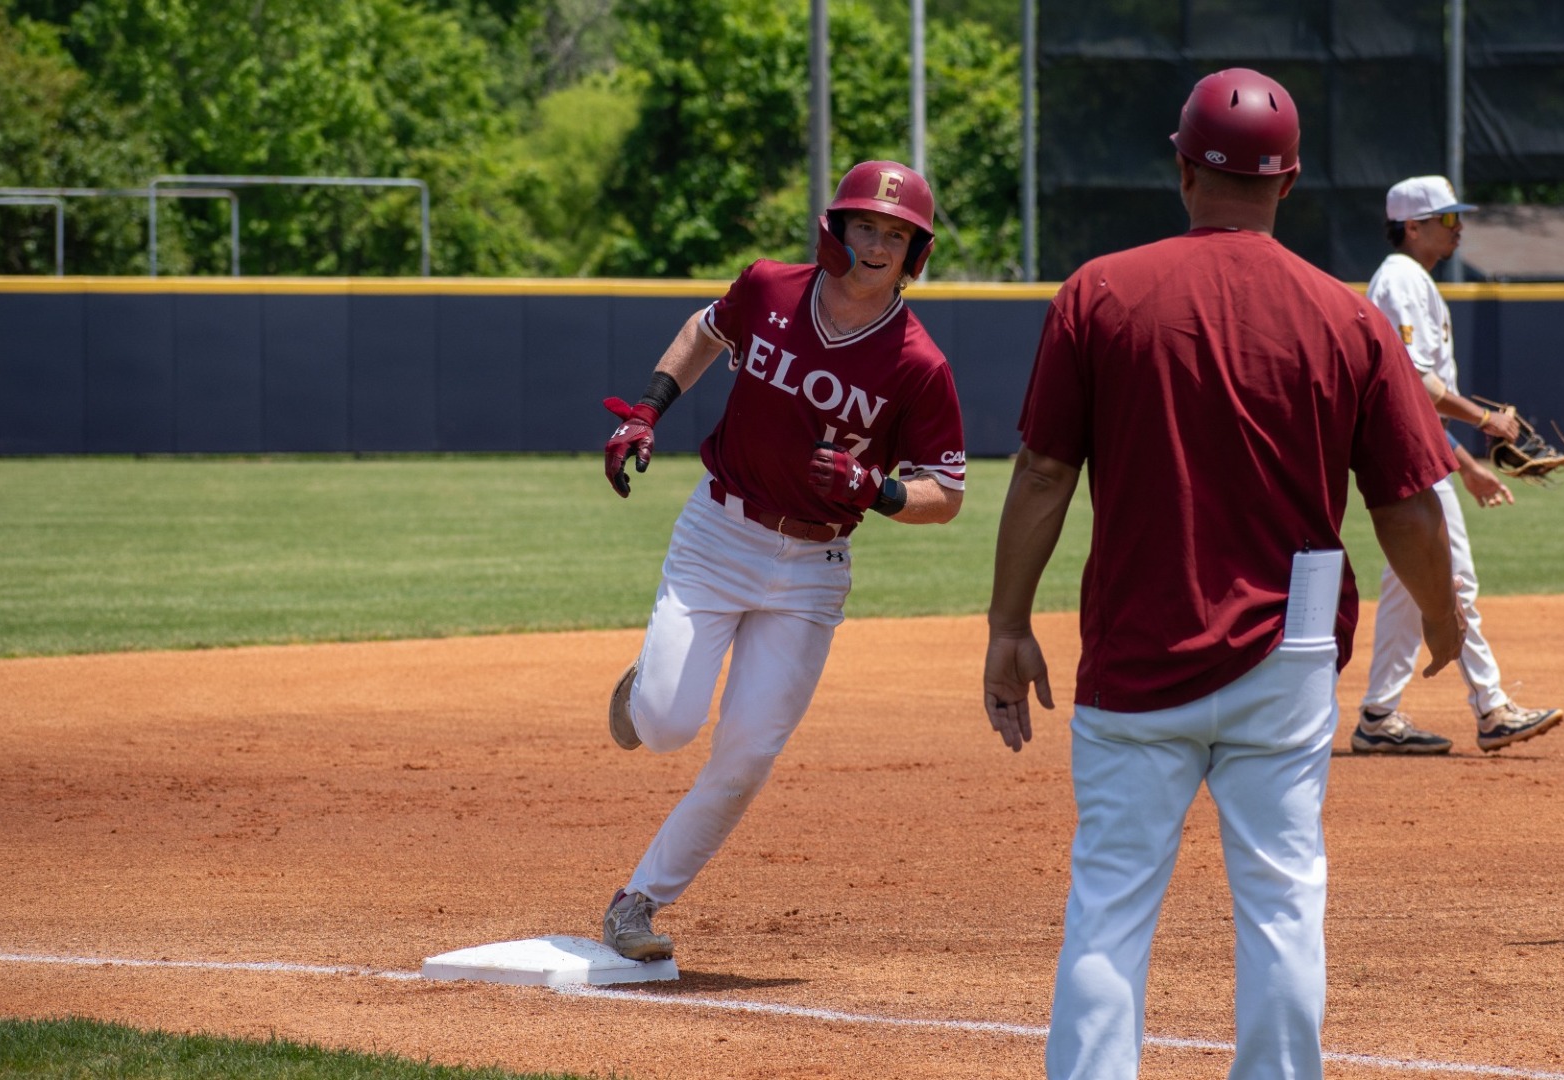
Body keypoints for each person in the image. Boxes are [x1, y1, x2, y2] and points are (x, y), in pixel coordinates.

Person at [982, 69, 1465, 1080]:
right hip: (1285, 654)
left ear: (1181, 165)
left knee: (1111, 907)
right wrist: (1444, 622)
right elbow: (1410, 506)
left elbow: (1041, 472)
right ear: (1287, 183)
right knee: (1285, 900)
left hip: (1137, 647)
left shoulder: (1099, 292)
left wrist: (1008, 624)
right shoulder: (1344, 316)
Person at [596, 160, 965, 961]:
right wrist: (648, 410)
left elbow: (949, 490)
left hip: (813, 568)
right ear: (837, 228)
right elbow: (704, 331)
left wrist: (884, 492)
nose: (876, 243)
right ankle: (645, 689)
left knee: (747, 754)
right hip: (719, 533)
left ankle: (639, 902)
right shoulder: (768, 287)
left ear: (915, 254)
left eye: (895, 234)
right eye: (865, 225)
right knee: (664, 725)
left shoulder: (917, 364)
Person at [1350, 176, 1564, 755]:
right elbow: (1412, 383)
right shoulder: (1398, 279)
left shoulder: (1415, 280)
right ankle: (1492, 708)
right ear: (1412, 226)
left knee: (1407, 586)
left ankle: (1378, 716)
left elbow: (1419, 400)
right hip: (1404, 458)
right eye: (1446, 218)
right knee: (1451, 577)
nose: (1458, 226)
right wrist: (1485, 419)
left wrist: (1465, 464)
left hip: (1420, 452)